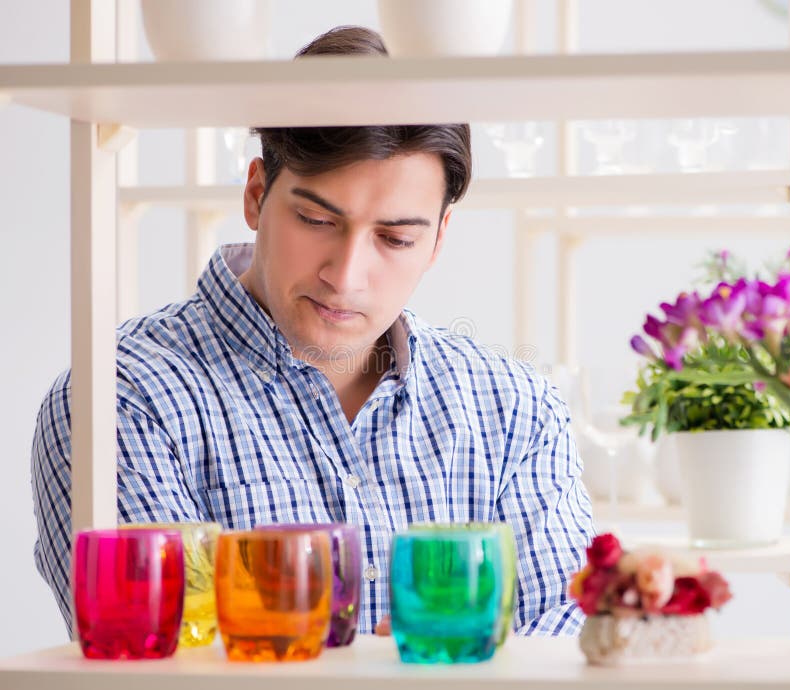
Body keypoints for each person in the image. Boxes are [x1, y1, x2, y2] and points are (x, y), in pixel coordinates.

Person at [31, 25, 594, 638]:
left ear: (438, 239)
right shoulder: (118, 403)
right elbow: (165, 664)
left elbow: (564, 652)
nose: (346, 276)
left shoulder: (514, 408)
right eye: (316, 219)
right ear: (255, 193)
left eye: (395, 238)